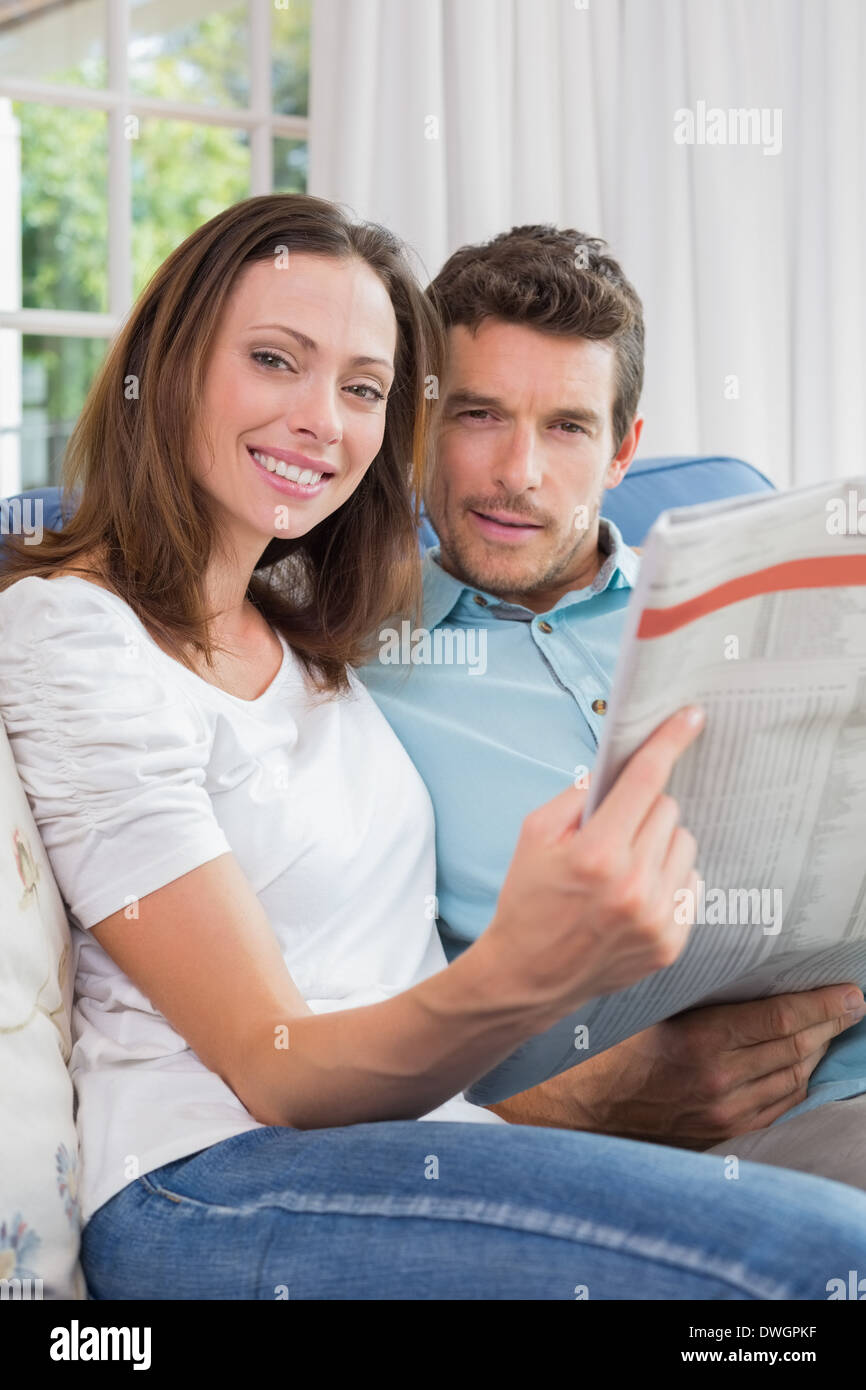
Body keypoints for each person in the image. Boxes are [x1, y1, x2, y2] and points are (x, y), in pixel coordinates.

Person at [1, 195, 865, 1302]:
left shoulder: (310, 627)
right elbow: (273, 1065)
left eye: (361, 387)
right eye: (275, 359)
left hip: (408, 1141)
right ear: (168, 367)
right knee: (826, 1263)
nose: (322, 419)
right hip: (211, 1169)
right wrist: (527, 968)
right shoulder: (75, 628)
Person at [360, 222, 866, 1188]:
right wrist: (551, 1100)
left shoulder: (765, 611)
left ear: (624, 449)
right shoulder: (345, 668)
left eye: (567, 426)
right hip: (694, 1156)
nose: (519, 473)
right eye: (478, 416)